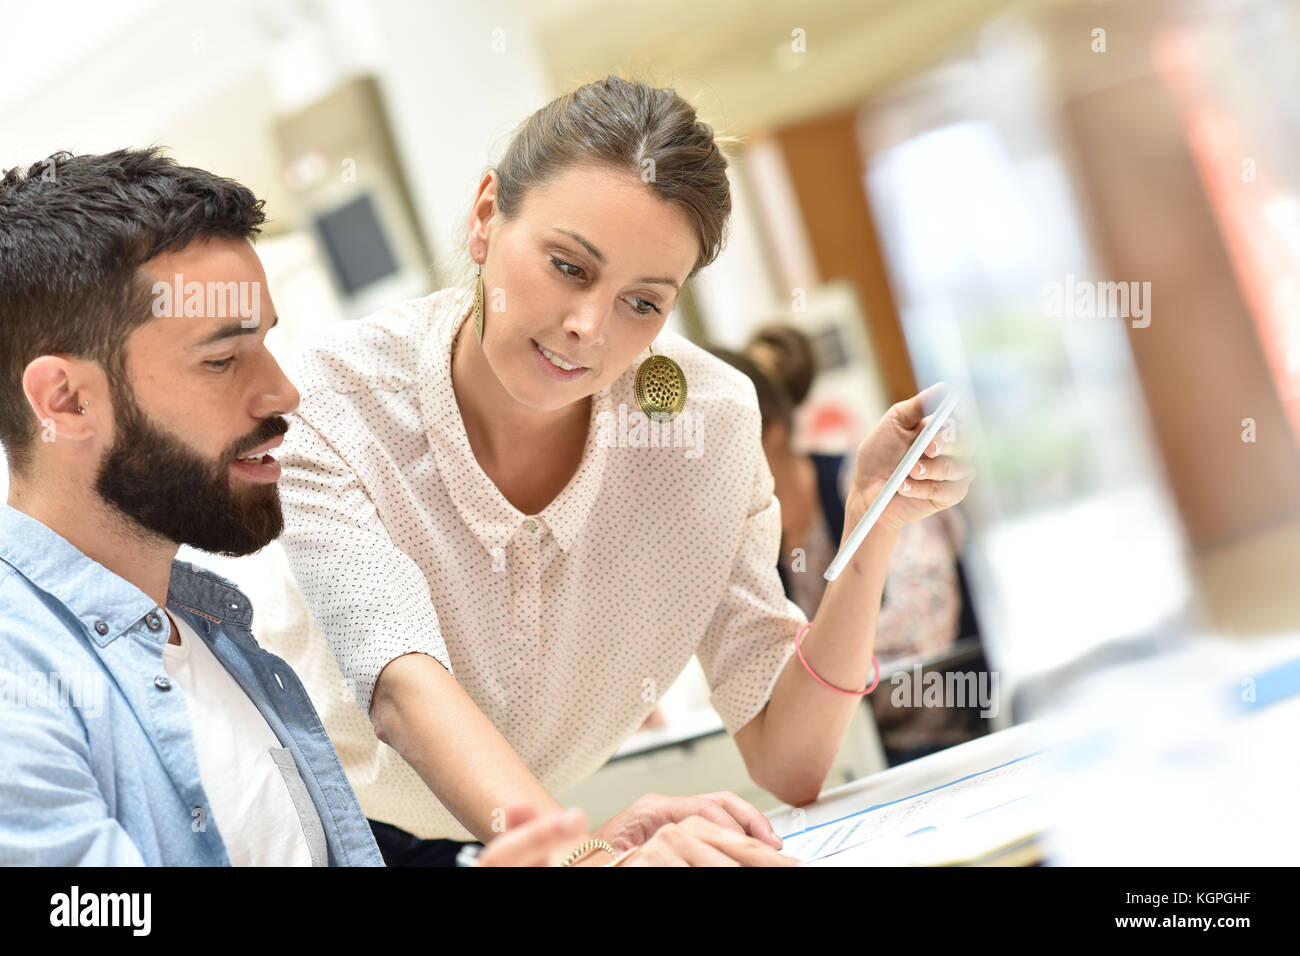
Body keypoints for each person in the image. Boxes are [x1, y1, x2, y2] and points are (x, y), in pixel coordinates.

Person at [247, 74, 974, 865]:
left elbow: (790, 758)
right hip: (301, 837)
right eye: (568, 266)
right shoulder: (330, 395)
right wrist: (591, 858)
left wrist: (872, 518)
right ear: (487, 215)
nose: (587, 327)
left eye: (643, 303)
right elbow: (403, 690)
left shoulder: (708, 424)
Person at [0, 148, 794, 868]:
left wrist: (575, 853)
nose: (281, 392)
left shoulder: (216, 640)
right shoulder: (19, 683)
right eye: (222, 358)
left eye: (268, 345)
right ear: (66, 401)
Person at [709, 336, 977, 762]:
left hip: (954, 732)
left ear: (772, 431)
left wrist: (807, 677)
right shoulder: (751, 546)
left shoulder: (864, 483)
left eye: (714, 449)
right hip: (852, 754)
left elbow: (921, 629)